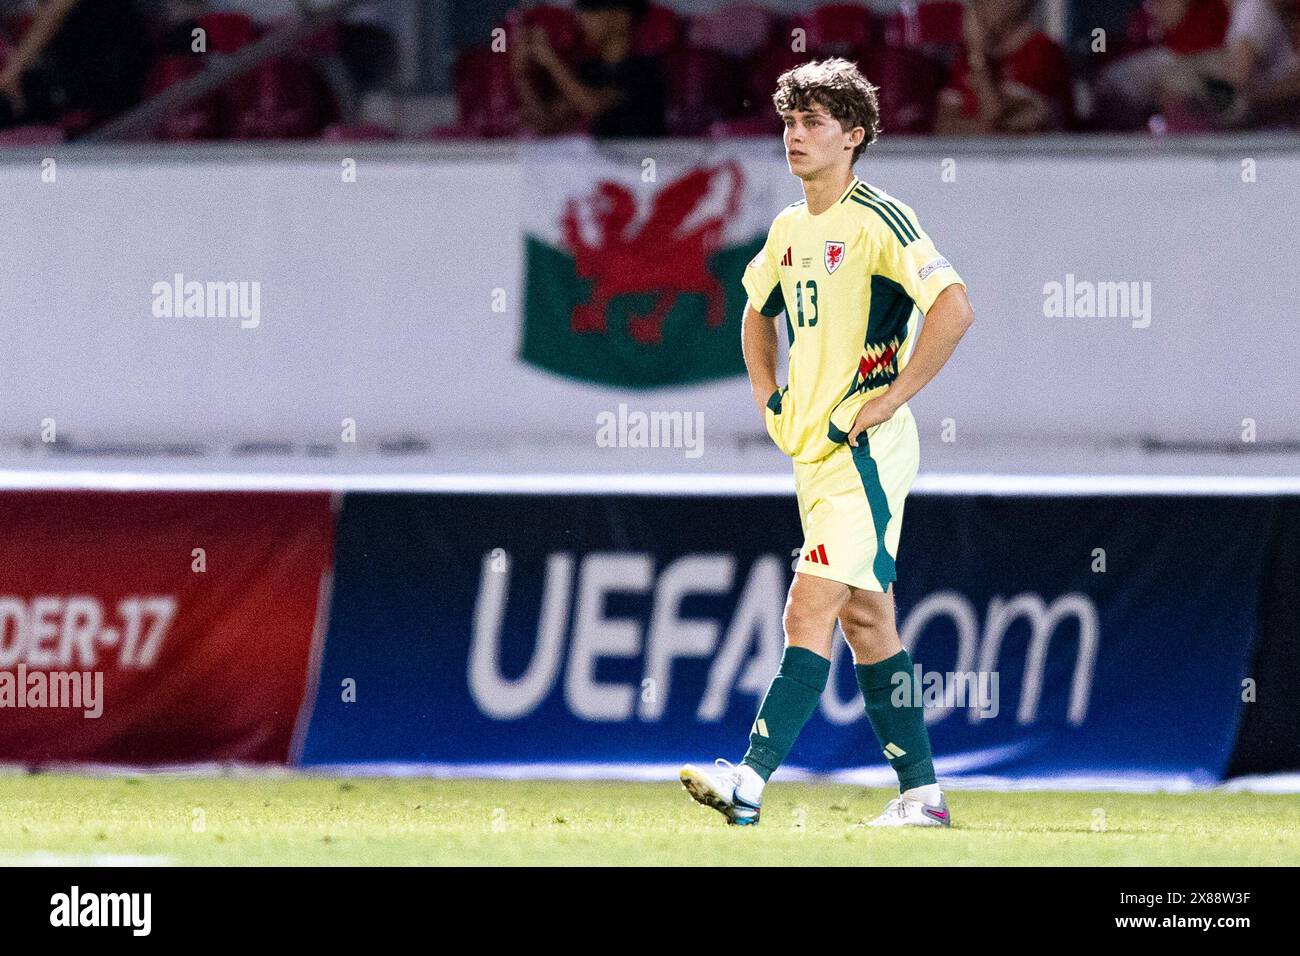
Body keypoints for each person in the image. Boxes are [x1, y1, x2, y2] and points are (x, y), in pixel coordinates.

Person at [679, 58, 975, 828]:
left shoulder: (882, 220)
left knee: (806, 608)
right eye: (789, 121)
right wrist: (766, 395)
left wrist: (892, 397)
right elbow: (754, 311)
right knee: (868, 623)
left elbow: (954, 308)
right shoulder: (787, 228)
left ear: (855, 135)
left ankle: (748, 780)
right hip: (811, 456)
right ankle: (923, 798)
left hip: (866, 455)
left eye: (813, 123)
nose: (795, 136)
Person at [510, 0, 665, 138]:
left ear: (621, 17)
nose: (581, 19)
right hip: (605, 164)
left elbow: (592, 105)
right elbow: (547, 126)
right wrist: (522, 74)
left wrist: (551, 60)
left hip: (644, 163)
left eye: (591, 12)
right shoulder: (590, 69)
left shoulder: (644, 69)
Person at [933, 0, 1073, 134]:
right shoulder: (965, 55)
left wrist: (978, 56)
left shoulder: (1043, 51)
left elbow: (1002, 122)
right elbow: (944, 126)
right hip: (973, 157)